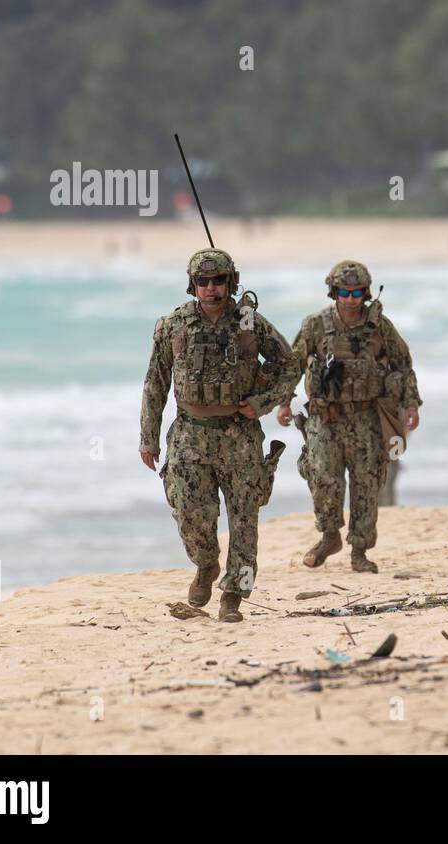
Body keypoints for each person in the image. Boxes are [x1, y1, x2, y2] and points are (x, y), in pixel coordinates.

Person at [139, 249, 299, 622]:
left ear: (232, 281)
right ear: (192, 284)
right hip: (190, 436)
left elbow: (289, 366)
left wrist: (261, 403)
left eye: (219, 281)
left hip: (239, 435)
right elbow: (155, 383)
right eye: (203, 282)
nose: (211, 289)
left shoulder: (249, 323)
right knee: (191, 515)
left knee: (244, 518)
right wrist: (148, 437)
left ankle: (233, 595)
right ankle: (206, 564)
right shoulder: (173, 326)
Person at [278, 261, 421, 573]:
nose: (351, 298)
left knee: (367, 484)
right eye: (344, 291)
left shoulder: (380, 327)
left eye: (357, 292)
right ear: (334, 292)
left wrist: (411, 405)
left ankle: (360, 550)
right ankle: (330, 536)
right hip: (325, 419)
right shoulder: (315, 325)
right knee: (322, 477)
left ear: (366, 292)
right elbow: (293, 365)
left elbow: (403, 364)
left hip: (366, 418)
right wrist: (284, 402)